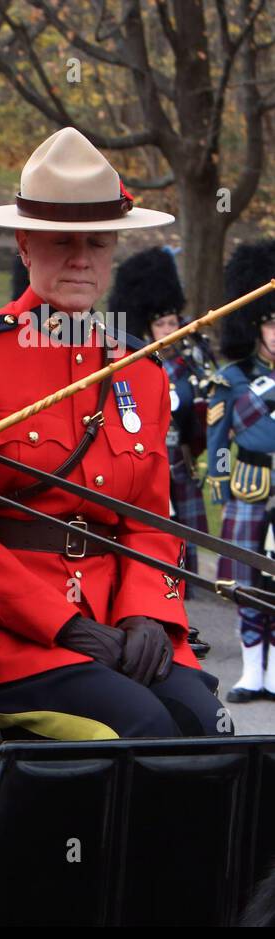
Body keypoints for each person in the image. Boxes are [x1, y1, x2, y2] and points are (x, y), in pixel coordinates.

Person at [0, 127, 227, 738]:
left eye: (97, 243)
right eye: (61, 241)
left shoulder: (141, 370)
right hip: (11, 636)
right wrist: (64, 625)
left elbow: (153, 519)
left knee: (216, 728)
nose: (80, 258)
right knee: (143, 730)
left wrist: (148, 614)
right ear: (25, 245)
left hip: (124, 623)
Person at [108, 246, 211, 578]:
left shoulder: (188, 364)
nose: (169, 329)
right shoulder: (130, 365)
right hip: (142, 460)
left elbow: (202, 423)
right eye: (161, 324)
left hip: (179, 460)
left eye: (172, 322)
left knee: (185, 553)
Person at [206, 241, 275, 701]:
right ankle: (252, 671)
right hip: (249, 489)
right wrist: (220, 480)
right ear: (256, 327)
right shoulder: (231, 379)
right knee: (247, 582)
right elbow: (217, 440)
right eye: (273, 322)